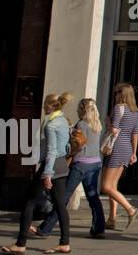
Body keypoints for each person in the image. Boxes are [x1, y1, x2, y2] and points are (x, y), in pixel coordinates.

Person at [2, 93, 73, 255]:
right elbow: (66, 146)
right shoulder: (63, 121)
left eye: (45, 104)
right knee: (60, 205)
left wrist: (47, 174)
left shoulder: (51, 125)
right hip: (62, 164)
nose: (43, 107)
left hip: (51, 166)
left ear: (50, 106)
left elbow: (51, 150)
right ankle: (65, 243)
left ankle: (20, 243)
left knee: (29, 202)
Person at [33, 97, 107, 240]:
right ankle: (99, 229)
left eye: (79, 108)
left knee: (63, 197)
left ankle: (45, 229)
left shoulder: (81, 125)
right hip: (95, 163)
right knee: (93, 197)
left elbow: (74, 145)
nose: (77, 111)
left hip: (80, 165)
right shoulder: (97, 125)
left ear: (83, 110)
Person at [101, 83, 138, 230]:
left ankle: (130, 209)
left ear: (122, 94)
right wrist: (134, 153)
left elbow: (115, 129)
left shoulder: (119, 108)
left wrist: (107, 121)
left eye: (117, 92)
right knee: (113, 185)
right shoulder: (134, 112)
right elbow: (135, 133)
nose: (115, 95)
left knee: (105, 186)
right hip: (126, 148)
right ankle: (111, 218)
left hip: (116, 147)